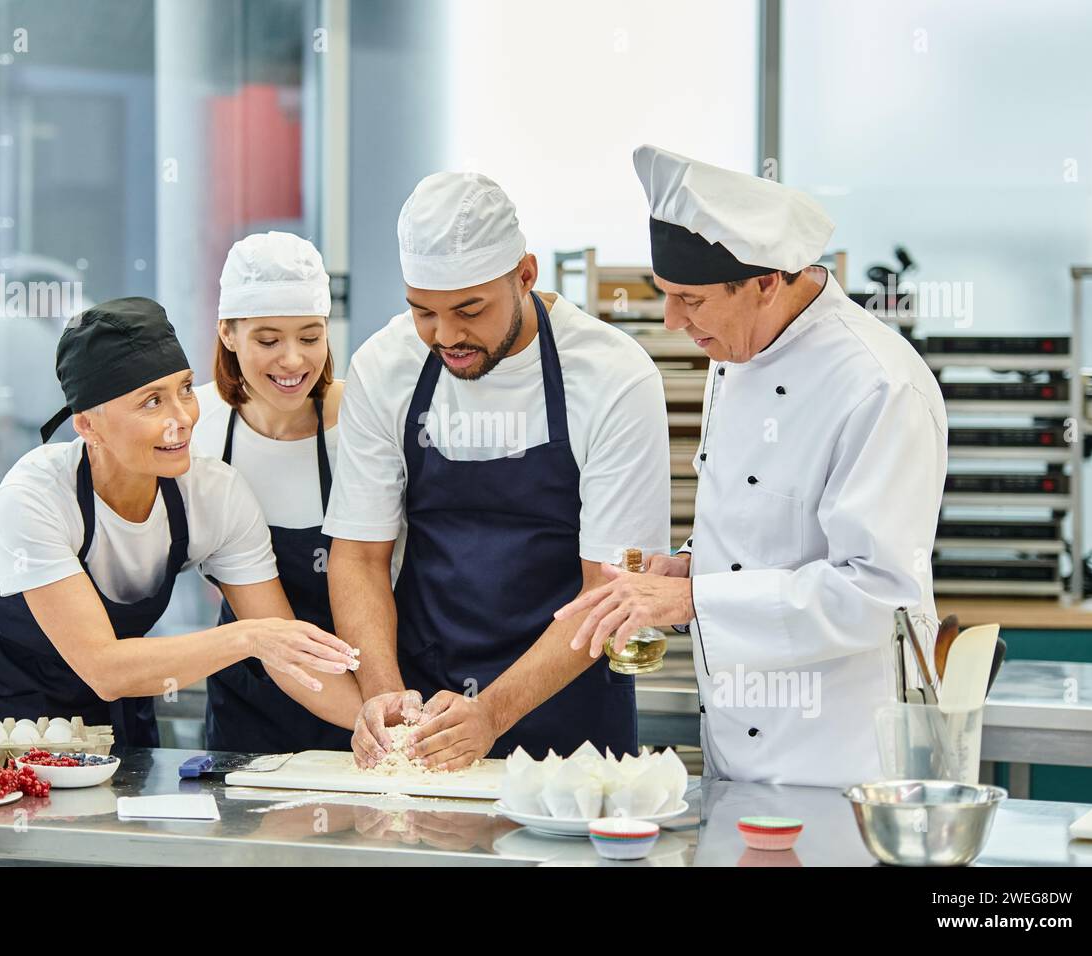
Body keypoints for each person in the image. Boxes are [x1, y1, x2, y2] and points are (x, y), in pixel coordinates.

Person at [556, 145, 947, 788]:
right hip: (734, 755)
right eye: (665, 295)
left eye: (690, 299)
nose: (670, 320)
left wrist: (692, 598)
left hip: (841, 766)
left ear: (767, 282)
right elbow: (766, 521)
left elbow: (879, 595)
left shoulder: (879, 386)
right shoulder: (736, 350)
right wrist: (691, 561)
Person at [324, 172, 671, 770]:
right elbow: (358, 555)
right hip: (427, 700)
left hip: (573, 712)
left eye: (469, 309)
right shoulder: (384, 367)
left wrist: (491, 713)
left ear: (526, 275)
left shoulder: (614, 377)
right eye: (423, 312)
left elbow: (609, 590)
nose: (447, 336)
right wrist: (382, 691)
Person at [0, 297, 361, 748]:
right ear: (88, 427)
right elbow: (105, 666)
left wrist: (385, 728)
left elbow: (287, 658)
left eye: (186, 390)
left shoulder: (213, 493)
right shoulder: (35, 495)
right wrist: (250, 637)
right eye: (152, 402)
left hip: (113, 708)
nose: (182, 420)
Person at [192, 232, 353, 752]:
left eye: (310, 337)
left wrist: (385, 716)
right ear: (228, 333)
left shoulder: (364, 422)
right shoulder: (197, 428)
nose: (291, 361)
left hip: (371, 672)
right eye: (267, 340)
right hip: (253, 692)